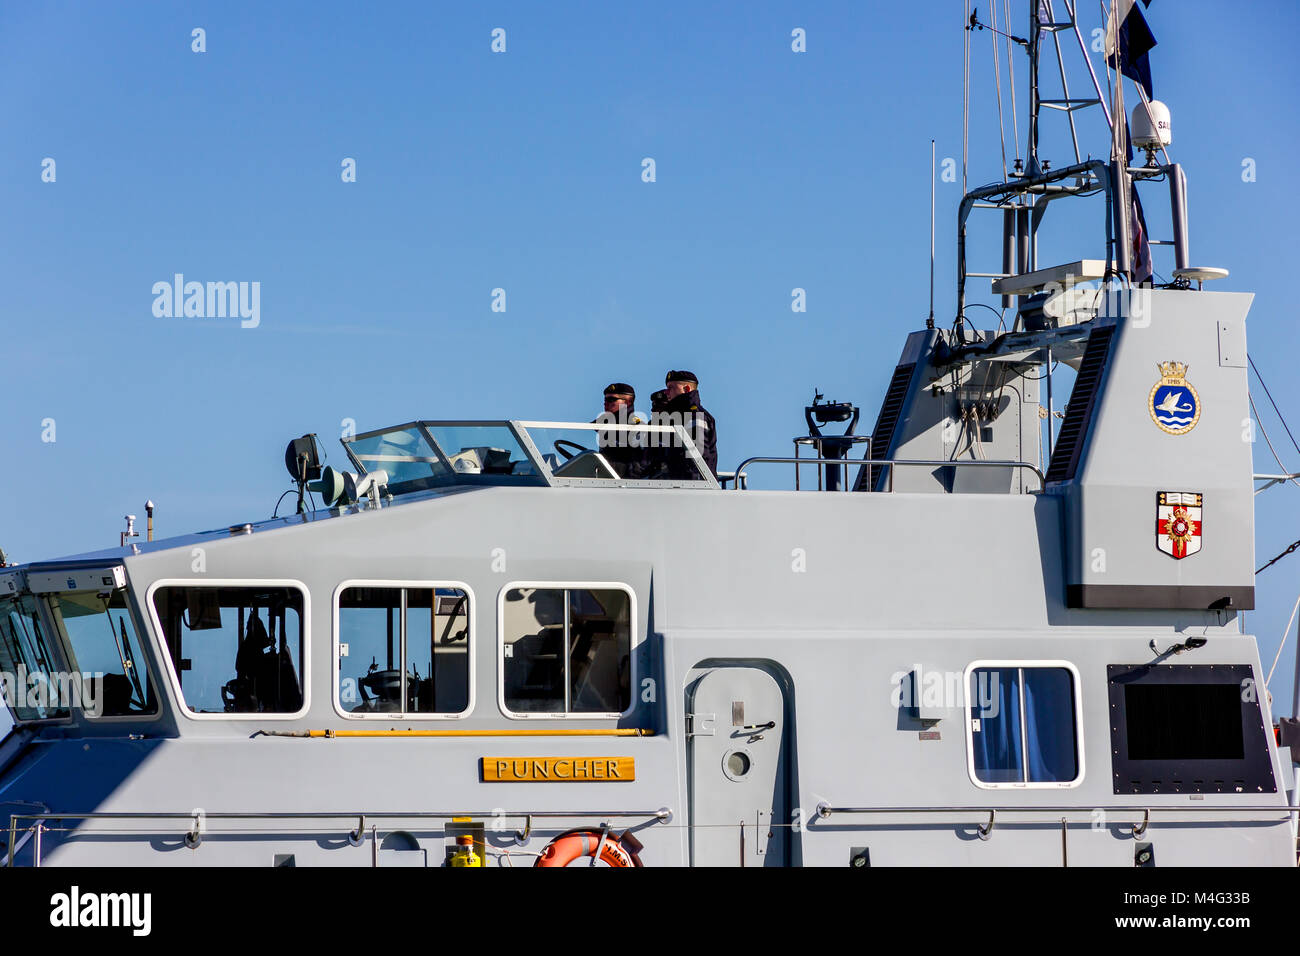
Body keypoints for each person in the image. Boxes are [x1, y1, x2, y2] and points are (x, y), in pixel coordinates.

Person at [652, 370, 718, 477]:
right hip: (678, 485)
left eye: (671, 388)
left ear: (686, 389)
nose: (666, 392)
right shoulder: (676, 416)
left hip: (693, 486)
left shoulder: (694, 415)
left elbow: (698, 458)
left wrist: (691, 484)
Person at [593, 383, 652, 479]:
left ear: (628, 402)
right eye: (605, 399)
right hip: (606, 479)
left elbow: (643, 463)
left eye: (611, 399)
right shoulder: (603, 424)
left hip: (626, 484)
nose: (605, 403)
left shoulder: (636, 427)